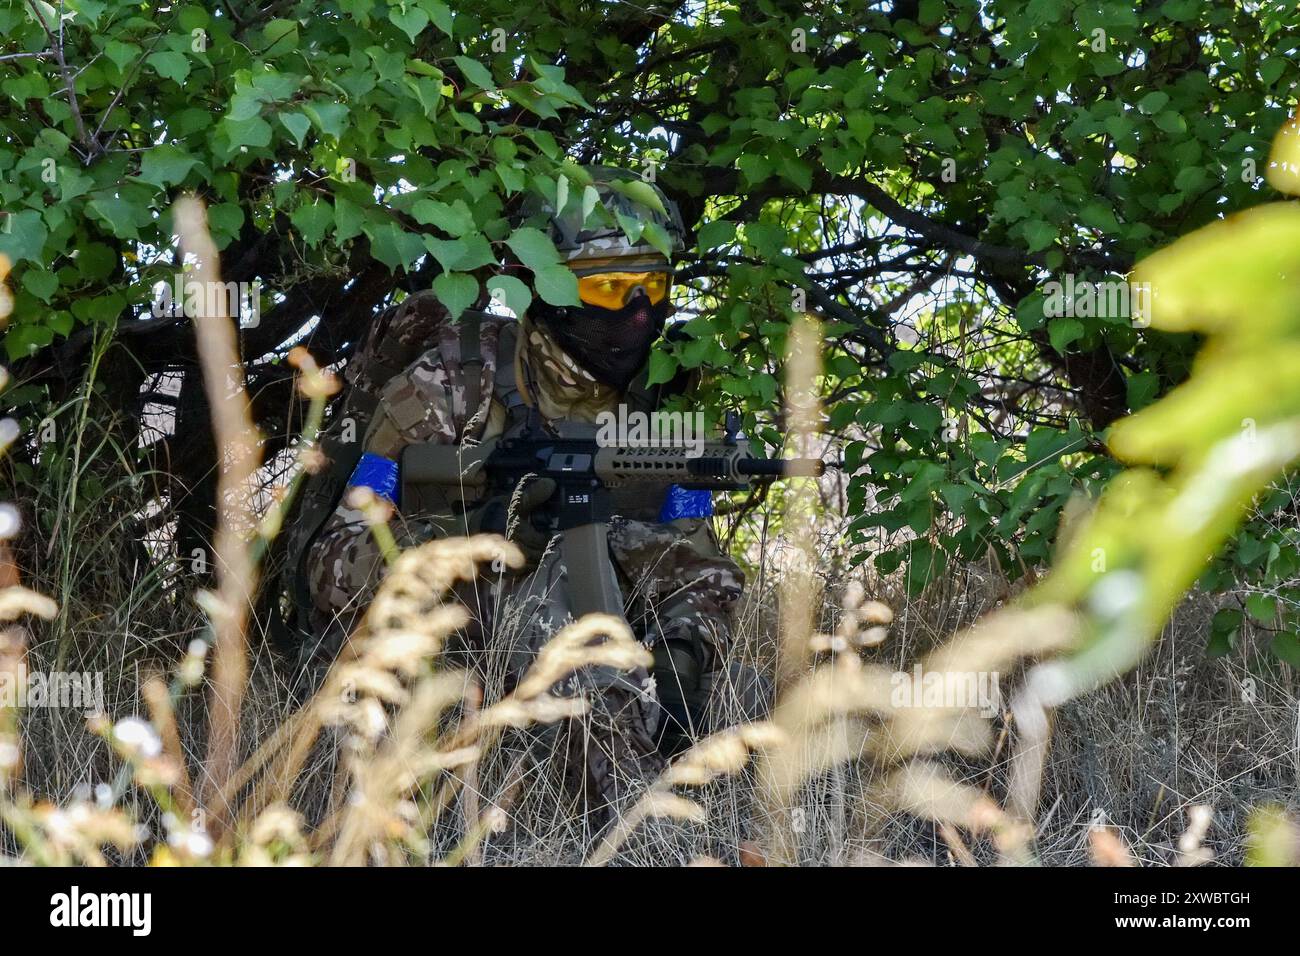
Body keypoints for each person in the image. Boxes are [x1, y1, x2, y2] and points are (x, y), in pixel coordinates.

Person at [293, 167, 769, 816]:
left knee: (730, 659)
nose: (636, 313)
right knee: (550, 605)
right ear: (549, 286)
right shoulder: (454, 379)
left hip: (586, 611)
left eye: (651, 286)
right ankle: (634, 828)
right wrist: (483, 545)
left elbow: (692, 561)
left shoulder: (662, 397)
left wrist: (685, 649)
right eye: (607, 288)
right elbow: (336, 560)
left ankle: (672, 759)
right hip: (439, 642)